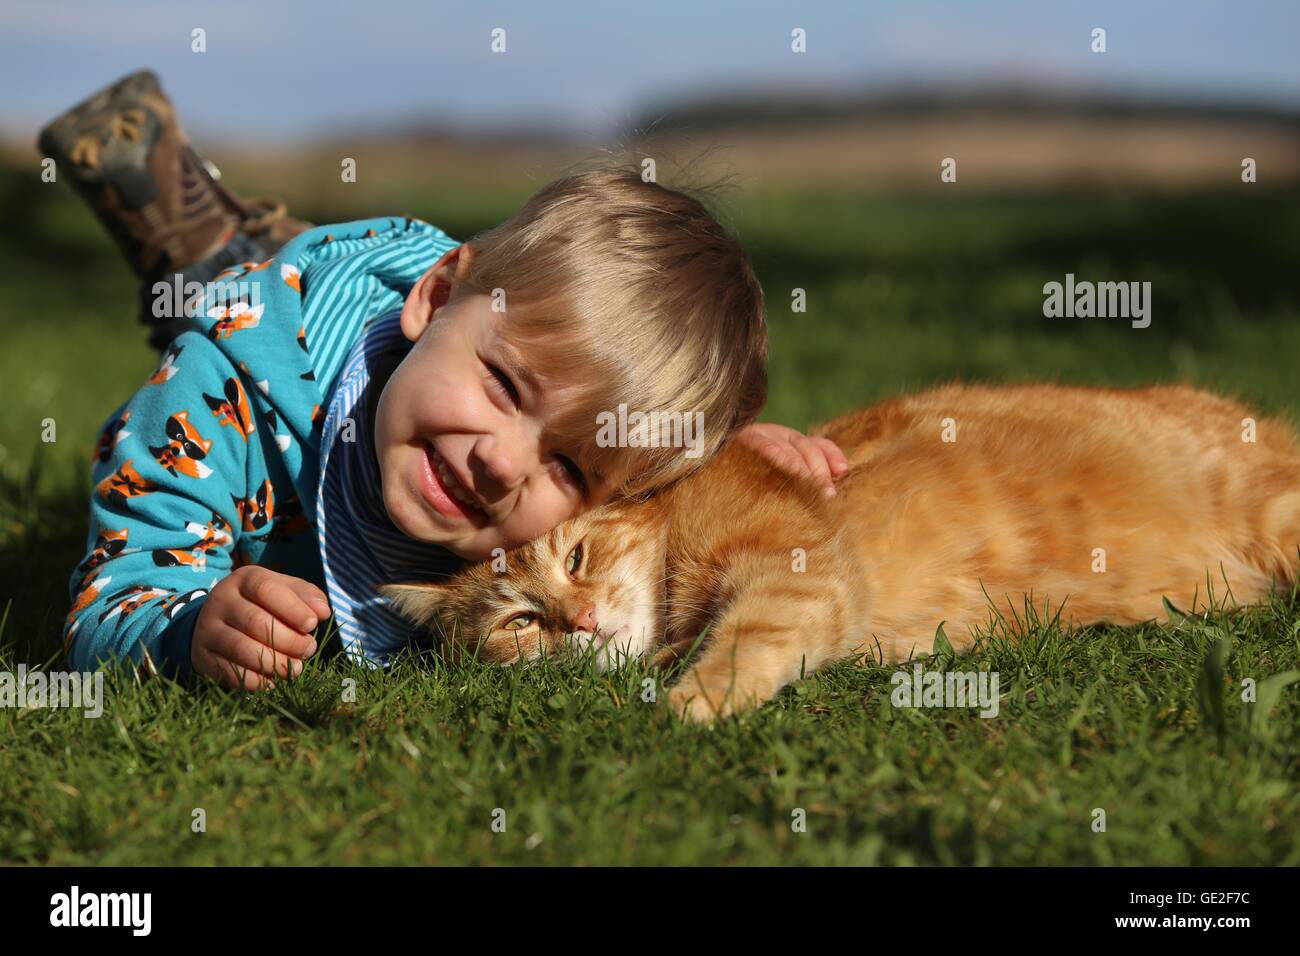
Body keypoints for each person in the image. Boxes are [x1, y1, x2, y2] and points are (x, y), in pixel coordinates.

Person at [47, 70, 849, 692]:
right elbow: (106, 609)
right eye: (502, 387)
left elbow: (631, 499)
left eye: (567, 466)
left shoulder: (517, 404)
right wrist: (186, 632)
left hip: (414, 330)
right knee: (209, 282)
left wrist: (705, 452)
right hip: (276, 339)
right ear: (433, 299)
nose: (503, 462)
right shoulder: (216, 412)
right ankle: (193, 220)